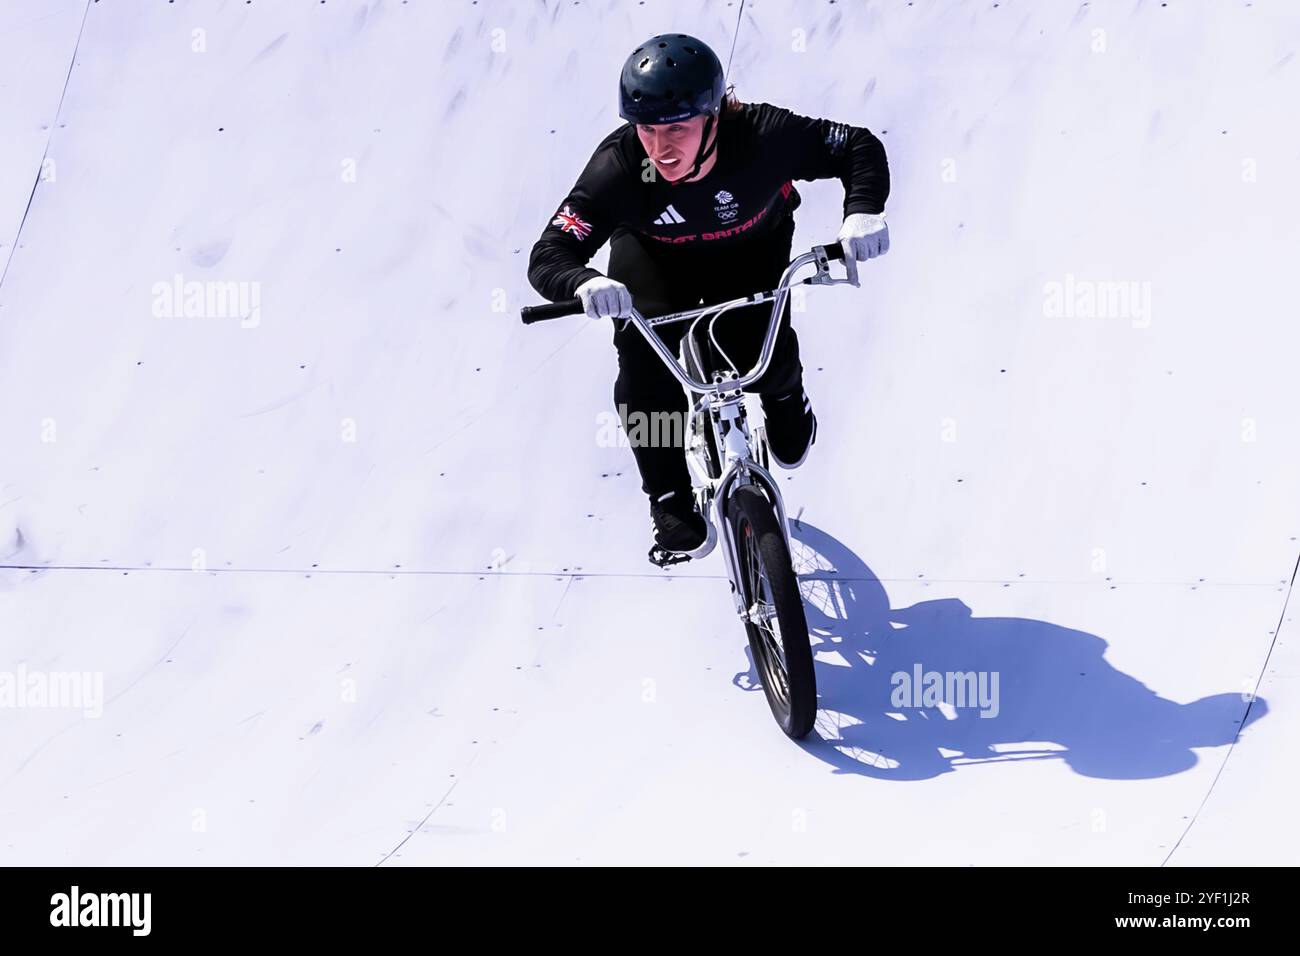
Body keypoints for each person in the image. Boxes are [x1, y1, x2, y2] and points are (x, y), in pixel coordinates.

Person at [528, 33, 890, 556]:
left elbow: (855, 145)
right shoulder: (621, 166)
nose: (660, 146)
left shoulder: (762, 136)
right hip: (657, 262)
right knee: (644, 367)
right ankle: (670, 498)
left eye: (676, 127)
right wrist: (584, 282)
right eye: (646, 128)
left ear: (715, 114)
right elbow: (551, 252)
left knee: (758, 346)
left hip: (751, 251)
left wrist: (861, 209)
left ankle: (786, 401)